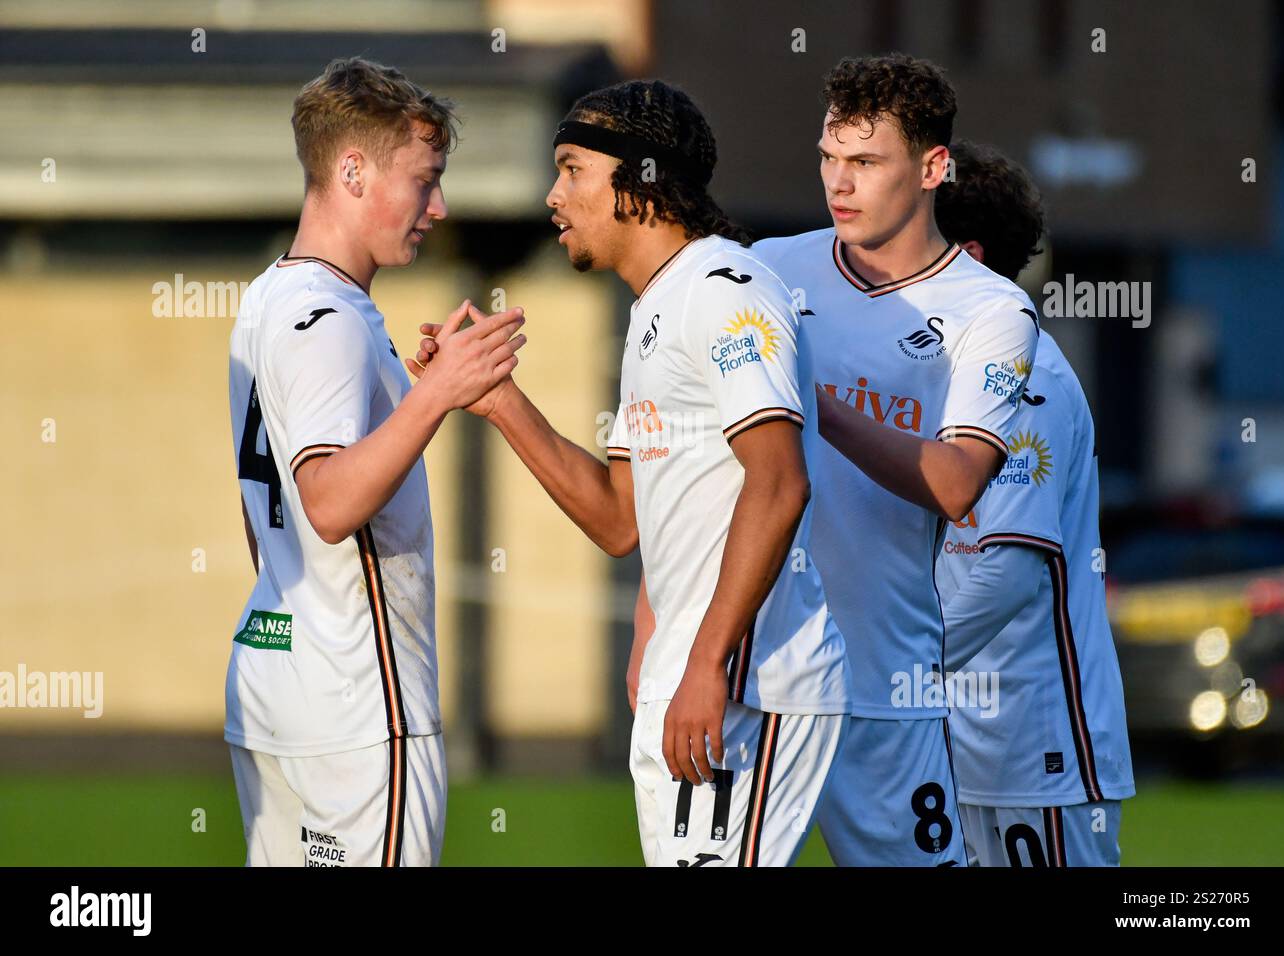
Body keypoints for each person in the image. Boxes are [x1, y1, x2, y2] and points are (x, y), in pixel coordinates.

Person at [413, 79, 850, 867]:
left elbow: (780, 481)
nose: (554, 195)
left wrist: (706, 664)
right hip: (697, 687)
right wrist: (499, 399)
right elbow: (620, 519)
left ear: (641, 183)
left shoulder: (725, 290)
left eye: (573, 168)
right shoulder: (655, 307)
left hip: (747, 687)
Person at [226, 57, 525, 866]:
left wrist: (412, 393)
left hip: (275, 680)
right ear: (352, 170)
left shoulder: (268, 298)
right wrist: (439, 397)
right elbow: (325, 502)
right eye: (425, 180)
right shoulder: (330, 315)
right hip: (356, 708)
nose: (440, 205)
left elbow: (269, 515)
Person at [754, 53, 1040, 866]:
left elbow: (955, 483)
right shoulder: (768, 268)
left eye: (866, 162)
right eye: (828, 158)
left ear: (932, 168)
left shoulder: (991, 309)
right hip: (759, 675)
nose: (838, 183)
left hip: (887, 687)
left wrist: (807, 392)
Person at [934, 139, 1135, 866]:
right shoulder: (942, 373)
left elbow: (1012, 574)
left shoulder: (1029, 379)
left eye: (914, 239)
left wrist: (900, 670)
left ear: (971, 258)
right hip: (960, 739)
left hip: (1036, 745)